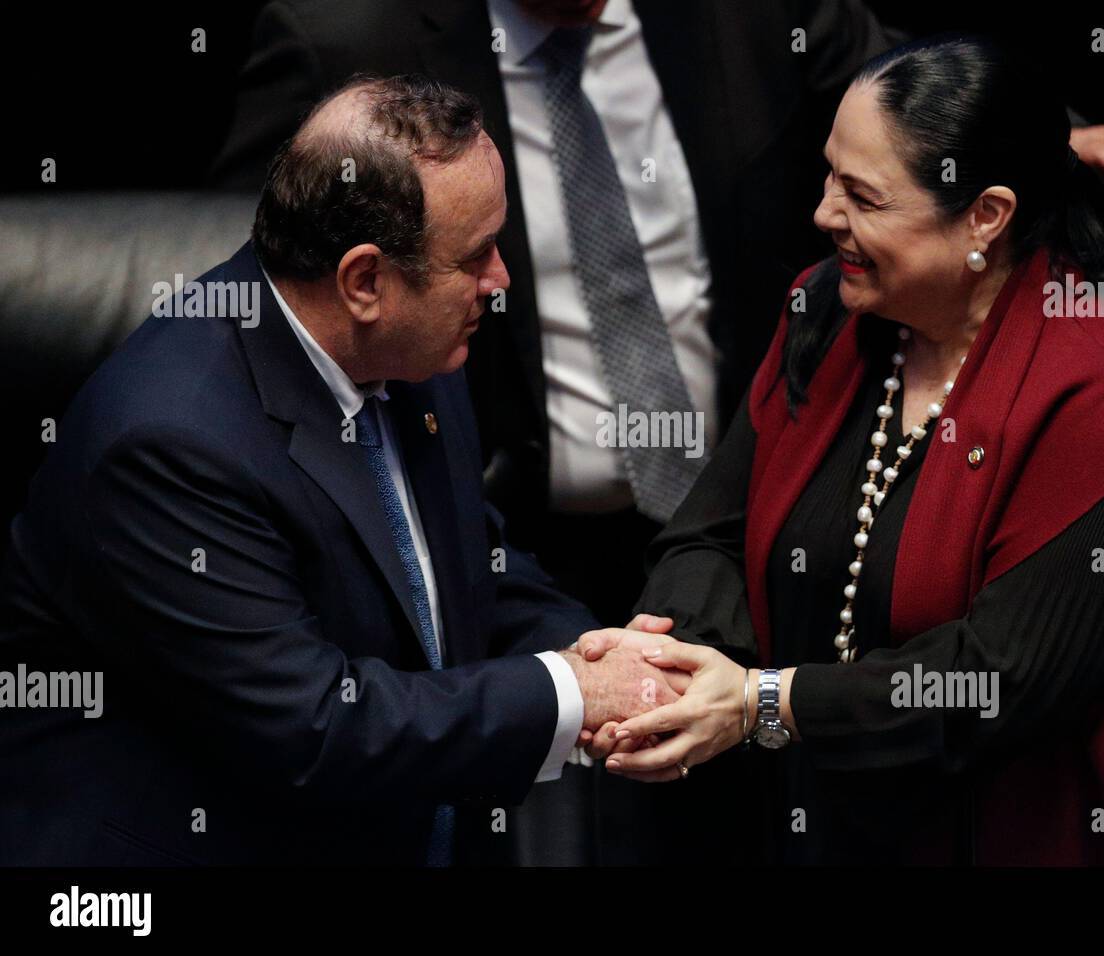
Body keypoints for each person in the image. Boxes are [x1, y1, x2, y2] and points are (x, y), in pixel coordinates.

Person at [581, 36, 1104, 865]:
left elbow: (999, 684)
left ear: (986, 217)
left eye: (864, 196)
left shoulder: (1102, 396)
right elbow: (713, 529)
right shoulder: (828, 312)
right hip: (833, 823)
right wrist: (671, 659)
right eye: (830, 175)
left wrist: (764, 702)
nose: (825, 214)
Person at [0, 75, 684, 866]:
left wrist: (607, 654)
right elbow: (314, 729)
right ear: (365, 282)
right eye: (476, 256)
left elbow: (465, 566)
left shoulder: (415, 346)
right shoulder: (166, 443)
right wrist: (568, 691)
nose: (502, 282)